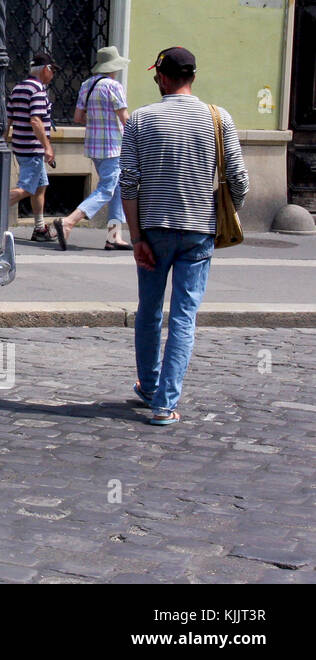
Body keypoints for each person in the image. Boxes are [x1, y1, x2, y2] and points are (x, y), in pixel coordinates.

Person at [119, 46, 248, 425]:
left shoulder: (140, 120)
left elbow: (128, 183)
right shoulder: (218, 118)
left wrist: (135, 236)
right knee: (184, 317)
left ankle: (148, 384)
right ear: (193, 77)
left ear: (161, 77)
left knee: (149, 310)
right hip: (198, 229)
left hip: (154, 229)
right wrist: (227, 211)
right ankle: (165, 404)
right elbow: (238, 179)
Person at [53, 46, 131, 251]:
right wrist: (136, 137)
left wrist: (98, 120)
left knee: (117, 188)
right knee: (107, 188)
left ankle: (114, 236)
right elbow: (124, 117)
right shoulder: (114, 86)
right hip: (114, 146)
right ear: (113, 68)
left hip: (94, 146)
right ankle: (69, 221)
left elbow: (78, 117)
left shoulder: (87, 85)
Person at [7, 52, 56, 243]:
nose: (53, 75)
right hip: (33, 148)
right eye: (52, 70)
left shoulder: (18, 88)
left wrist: (4, 141)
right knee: (27, 188)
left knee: (40, 187)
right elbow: (36, 120)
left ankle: (39, 228)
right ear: (46, 69)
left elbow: (9, 118)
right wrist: (47, 147)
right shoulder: (37, 90)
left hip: (20, 146)